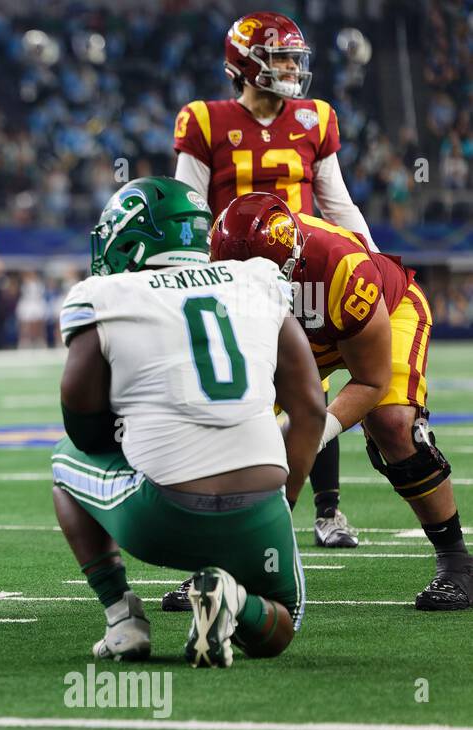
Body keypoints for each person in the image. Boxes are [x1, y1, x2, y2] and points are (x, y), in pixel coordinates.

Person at [53, 177, 324, 667]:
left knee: (64, 464)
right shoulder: (257, 280)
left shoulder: (108, 295)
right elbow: (310, 408)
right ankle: (235, 602)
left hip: (163, 513)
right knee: (281, 623)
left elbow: (82, 424)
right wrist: (282, 502)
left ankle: (124, 620)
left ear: (133, 236)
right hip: (261, 507)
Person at [171, 10, 374, 567]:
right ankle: (232, 521)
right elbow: (190, 206)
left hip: (302, 272)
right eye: (280, 56)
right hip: (233, 279)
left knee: (313, 387)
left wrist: (371, 258)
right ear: (243, 64)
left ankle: (327, 510)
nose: (290, 67)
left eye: (293, 57)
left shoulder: (316, 117)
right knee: (242, 396)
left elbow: (336, 201)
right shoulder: (205, 120)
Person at [212, 191, 471, 610]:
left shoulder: (342, 266)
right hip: (298, 335)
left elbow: (370, 380)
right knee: (227, 433)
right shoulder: (218, 262)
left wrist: (313, 433)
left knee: (394, 427)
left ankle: (457, 563)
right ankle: (216, 567)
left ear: (292, 263)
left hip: (382, 314)